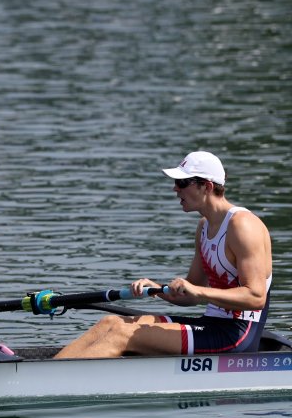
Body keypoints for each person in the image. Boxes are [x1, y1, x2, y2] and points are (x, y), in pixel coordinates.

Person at [57, 151, 272, 359]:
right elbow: (190, 293)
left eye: (182, 183)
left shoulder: (243, 226)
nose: (175, 189)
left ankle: (52, 382)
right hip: (211, 324)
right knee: (110, 323)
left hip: (236, 335)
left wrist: (199, 291)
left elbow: (256, 297)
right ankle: (47, 375)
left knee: (121, 335)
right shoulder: (204, 227)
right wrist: (156, 289)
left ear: (206, 186)